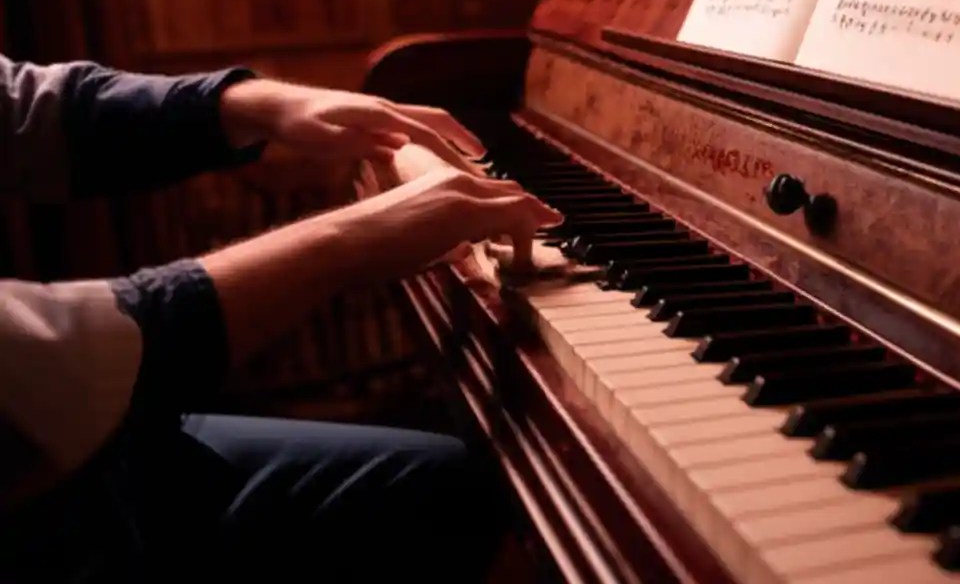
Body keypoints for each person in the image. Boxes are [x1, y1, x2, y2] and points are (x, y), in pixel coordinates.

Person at [0, 53, 561, 583]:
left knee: (464, 481)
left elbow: (24, 105)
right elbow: (44, 374)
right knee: (469, 496)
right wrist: (346, 240)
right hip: (43, 495)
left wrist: (257, 103)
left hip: (66, 415)